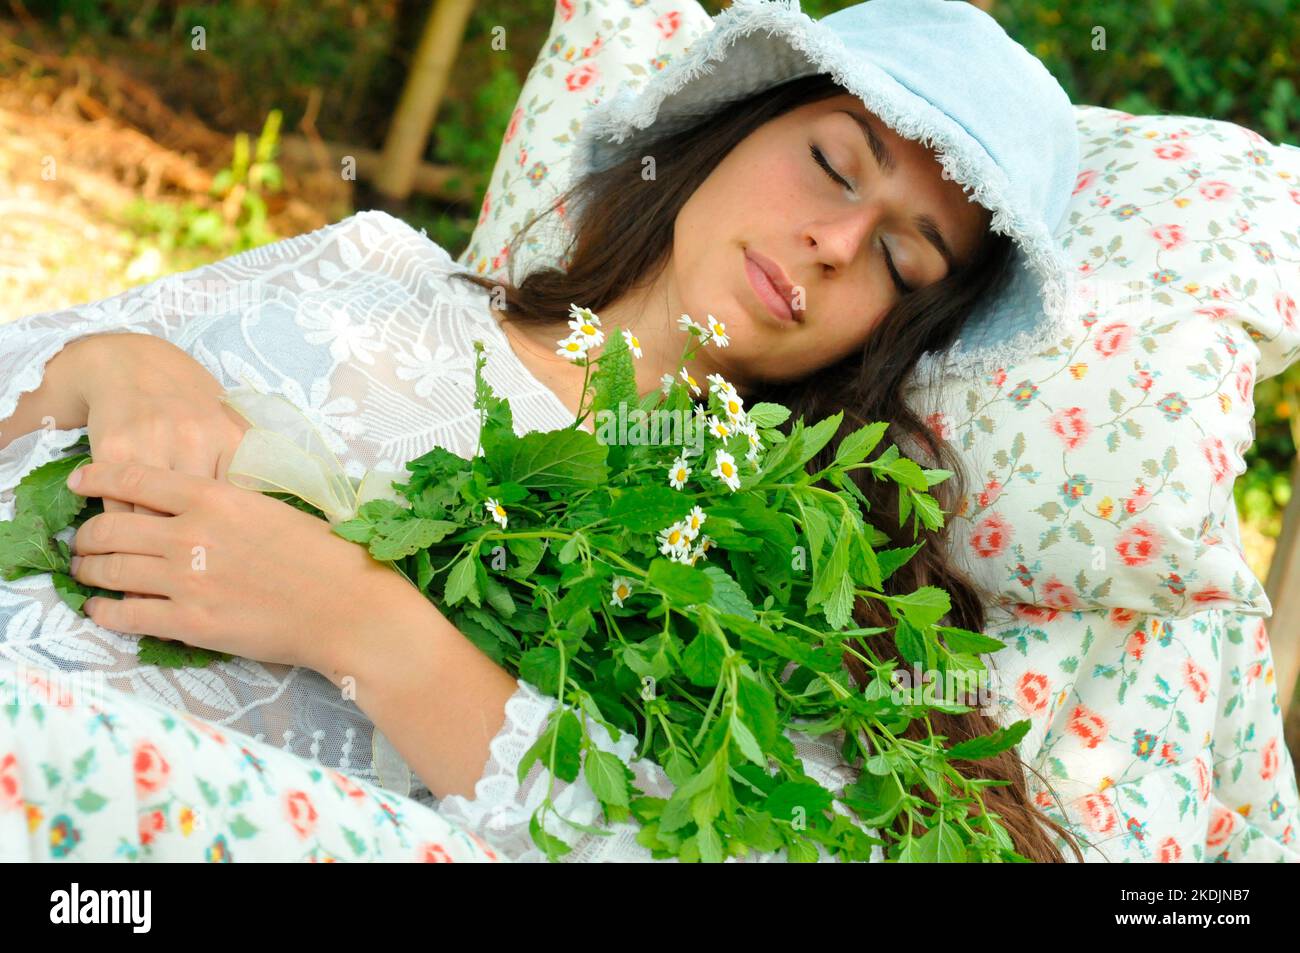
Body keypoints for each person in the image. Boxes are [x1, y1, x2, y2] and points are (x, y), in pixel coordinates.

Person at [0, 0, 1087, 861]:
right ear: (736, 123)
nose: (837, 241)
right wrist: (105, 368)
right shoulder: (373, 269)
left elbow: (725, 847)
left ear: (904, 327)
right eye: (833, 164)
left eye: (902, 260)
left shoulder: (771, 566)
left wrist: (365, 625)